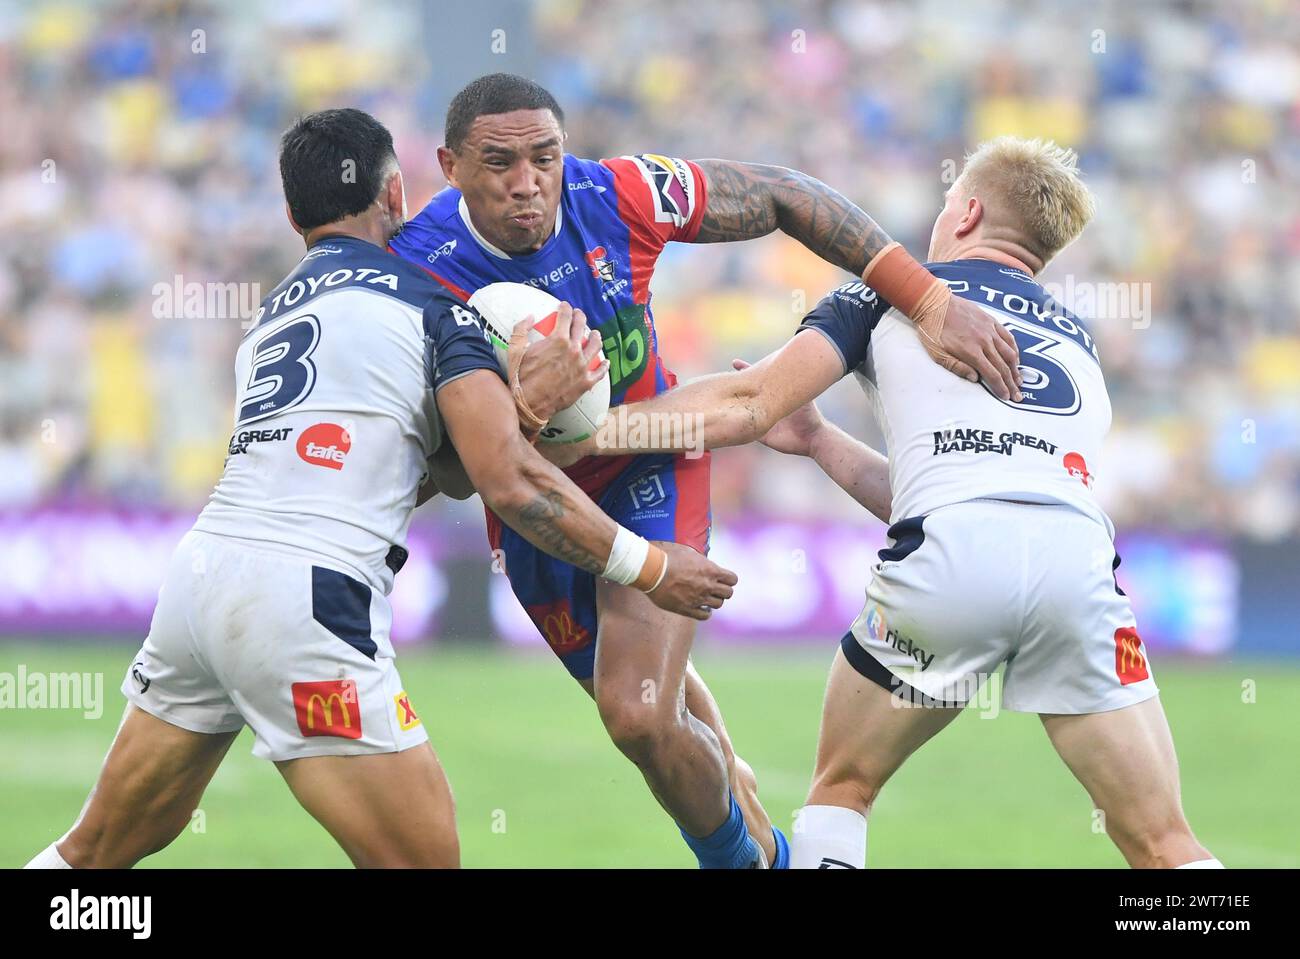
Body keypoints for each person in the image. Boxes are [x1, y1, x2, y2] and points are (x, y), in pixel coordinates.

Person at [23, 108, 735, 870]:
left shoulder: (273, 314)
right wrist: (651, 565)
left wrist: (517, 411)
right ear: (397, 194)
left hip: (199, 580)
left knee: (91, 854)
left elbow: (433, 465)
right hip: (307, 599)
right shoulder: (436, 304)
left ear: (295, 215)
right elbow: (508, 481)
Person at [389, 72, 1021, 869]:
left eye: (544, 157)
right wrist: (519, 411)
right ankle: (749, 819)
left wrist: (926, 298)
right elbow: (439, 474)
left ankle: (747, 863)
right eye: (499, 164)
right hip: (532, 503)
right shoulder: (413, 272)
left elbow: (786, 195)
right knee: (671, 737)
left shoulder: (616, 195)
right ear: (449, 165)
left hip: (651, 458)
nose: (528, 184)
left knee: (639, 712)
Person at [562, 136, 1220, 869]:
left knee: (842, 787)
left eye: (943, 205)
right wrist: (819, 441)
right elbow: (966, 478)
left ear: (966, 212)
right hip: (1081, 571)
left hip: (951, 561)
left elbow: (746, 404)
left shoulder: (883, 295)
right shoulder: (1080, 340)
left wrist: (587, 435)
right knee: (1165, 841)